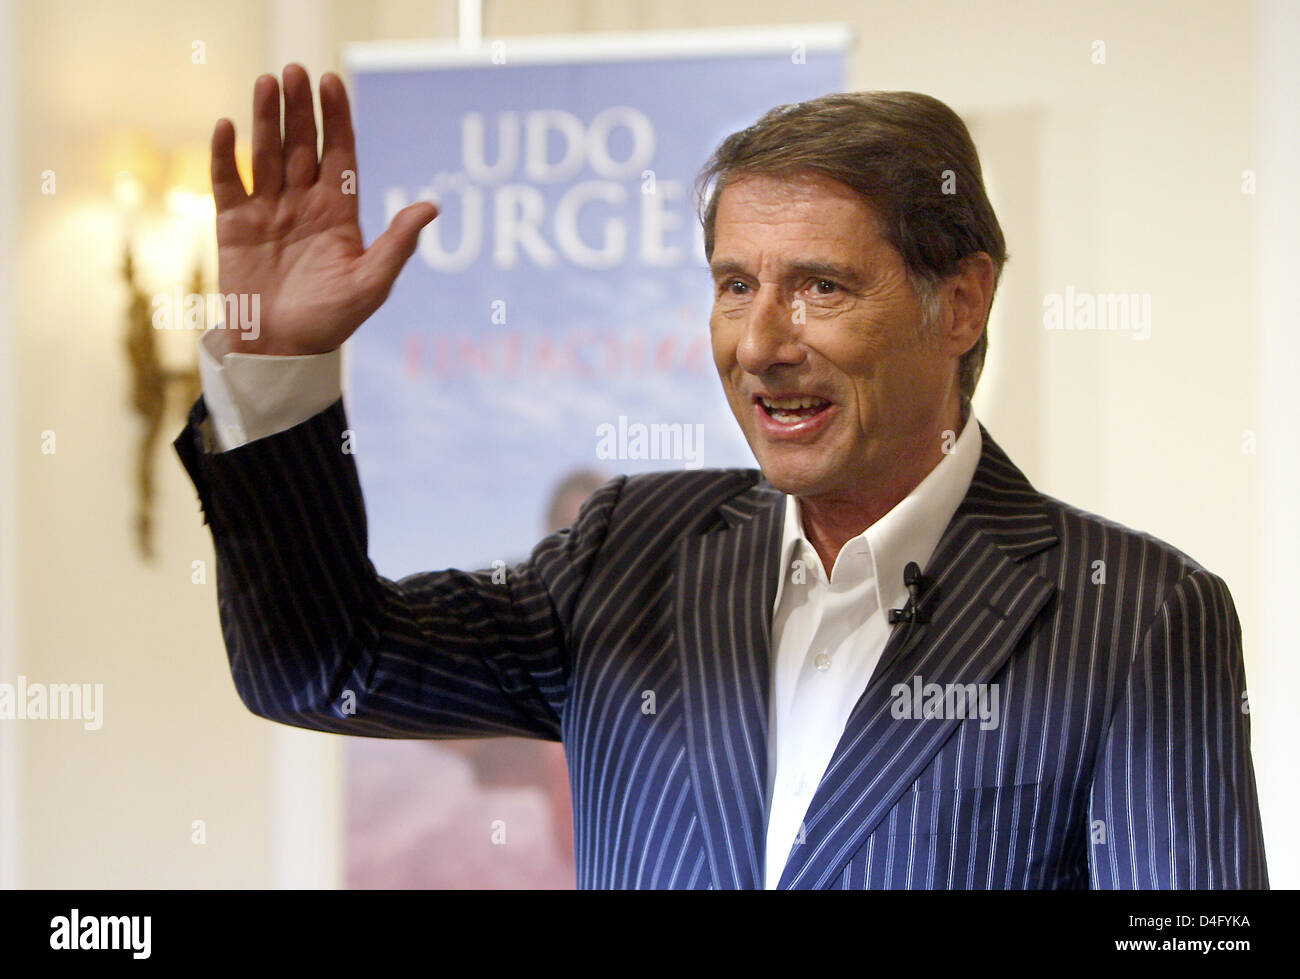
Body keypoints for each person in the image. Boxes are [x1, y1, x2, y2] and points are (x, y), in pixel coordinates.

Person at [174, 64, 1268, 889]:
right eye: (734, 284)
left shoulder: (1138, 616)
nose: (759, 342)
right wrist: (277, 370)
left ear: (962, 302)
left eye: (820, 287)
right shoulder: (629, 552)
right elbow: (323, 666)